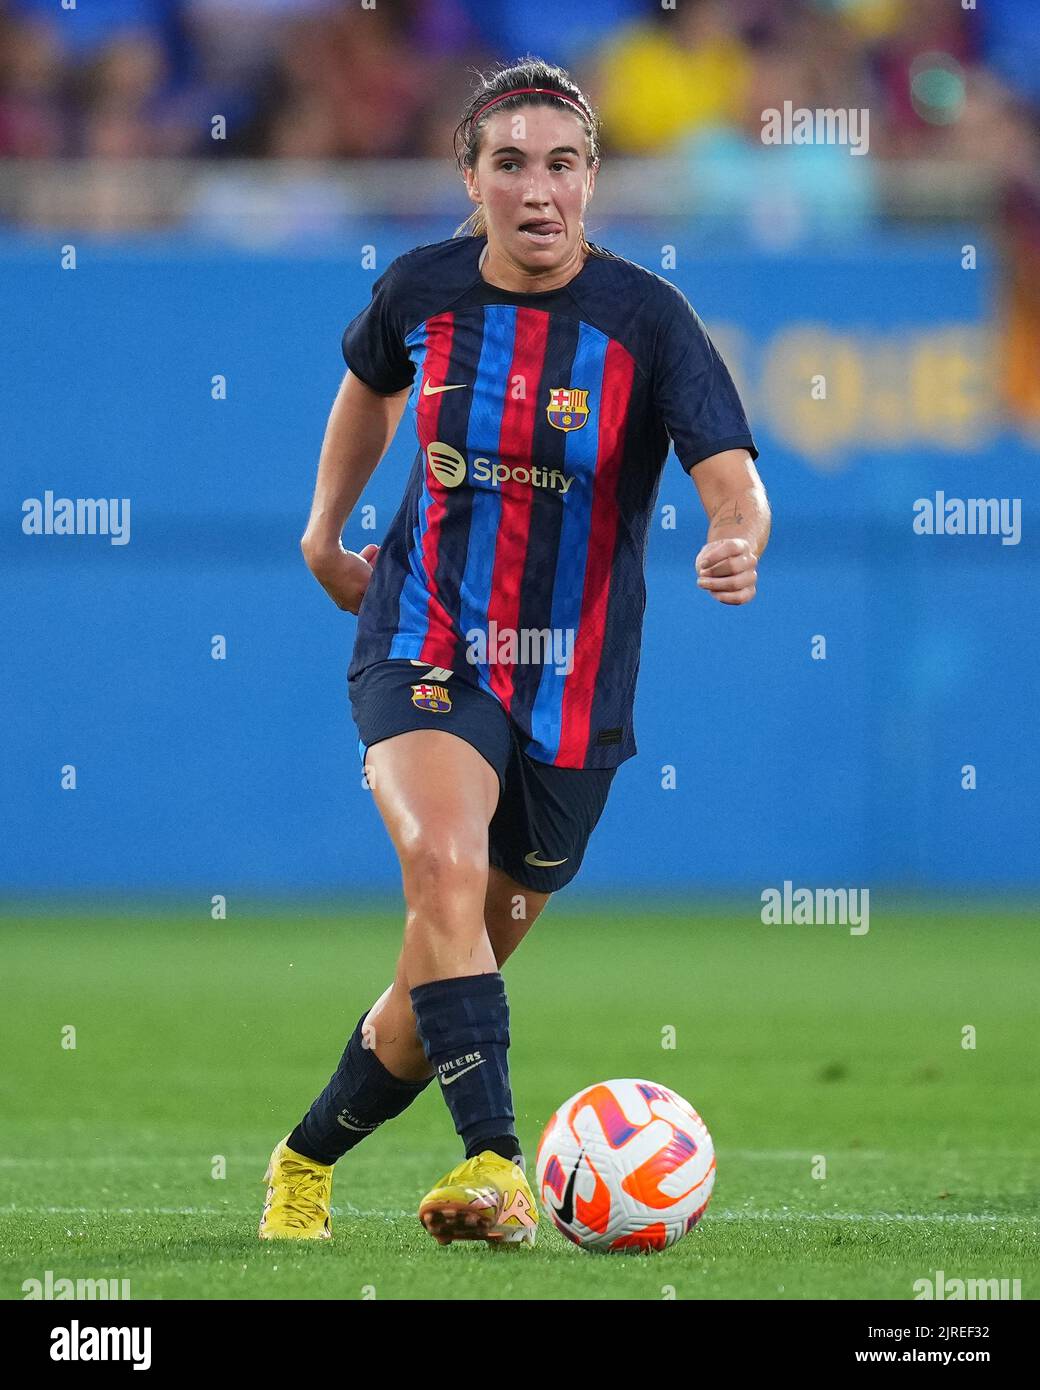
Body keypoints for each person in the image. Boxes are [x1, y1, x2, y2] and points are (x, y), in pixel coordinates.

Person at [259, 57, 769, 1247]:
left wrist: (735, 539)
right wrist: (324, 531)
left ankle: (303, 1158)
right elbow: (368, 388)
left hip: (572, 689)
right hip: (425, 634)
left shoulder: (647, 319)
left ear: (592, 179)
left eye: (562, 165)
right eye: (510, 165)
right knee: (439, 866)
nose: (537, 190)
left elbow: (732, 477)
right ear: (469, 179)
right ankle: (494, 1163)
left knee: (446, 966)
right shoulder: (420, 291)